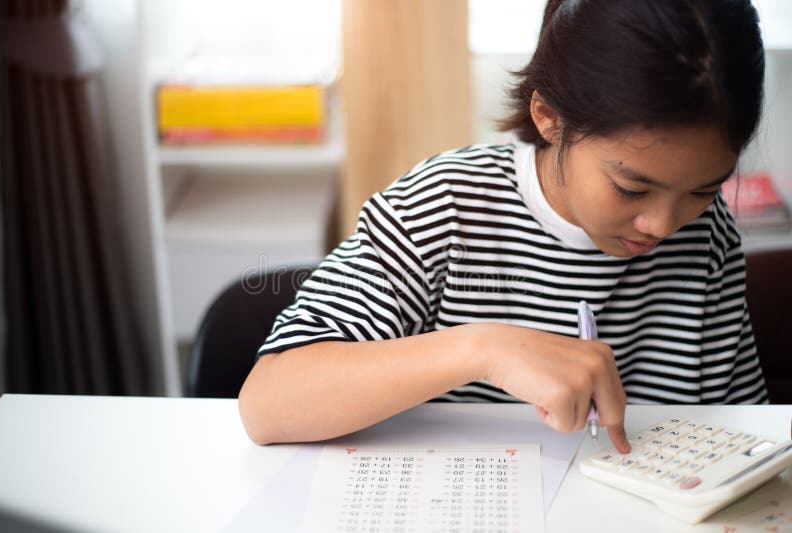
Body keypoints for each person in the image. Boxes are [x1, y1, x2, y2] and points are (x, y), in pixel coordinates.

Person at [238, 0, 768, 450]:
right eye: (631, 188)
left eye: (703, 189)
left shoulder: (707, 236)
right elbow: (269, 402)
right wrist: (484, 350)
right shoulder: (442, 205)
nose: (662, 224)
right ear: (549, 117)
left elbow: (748, 435)